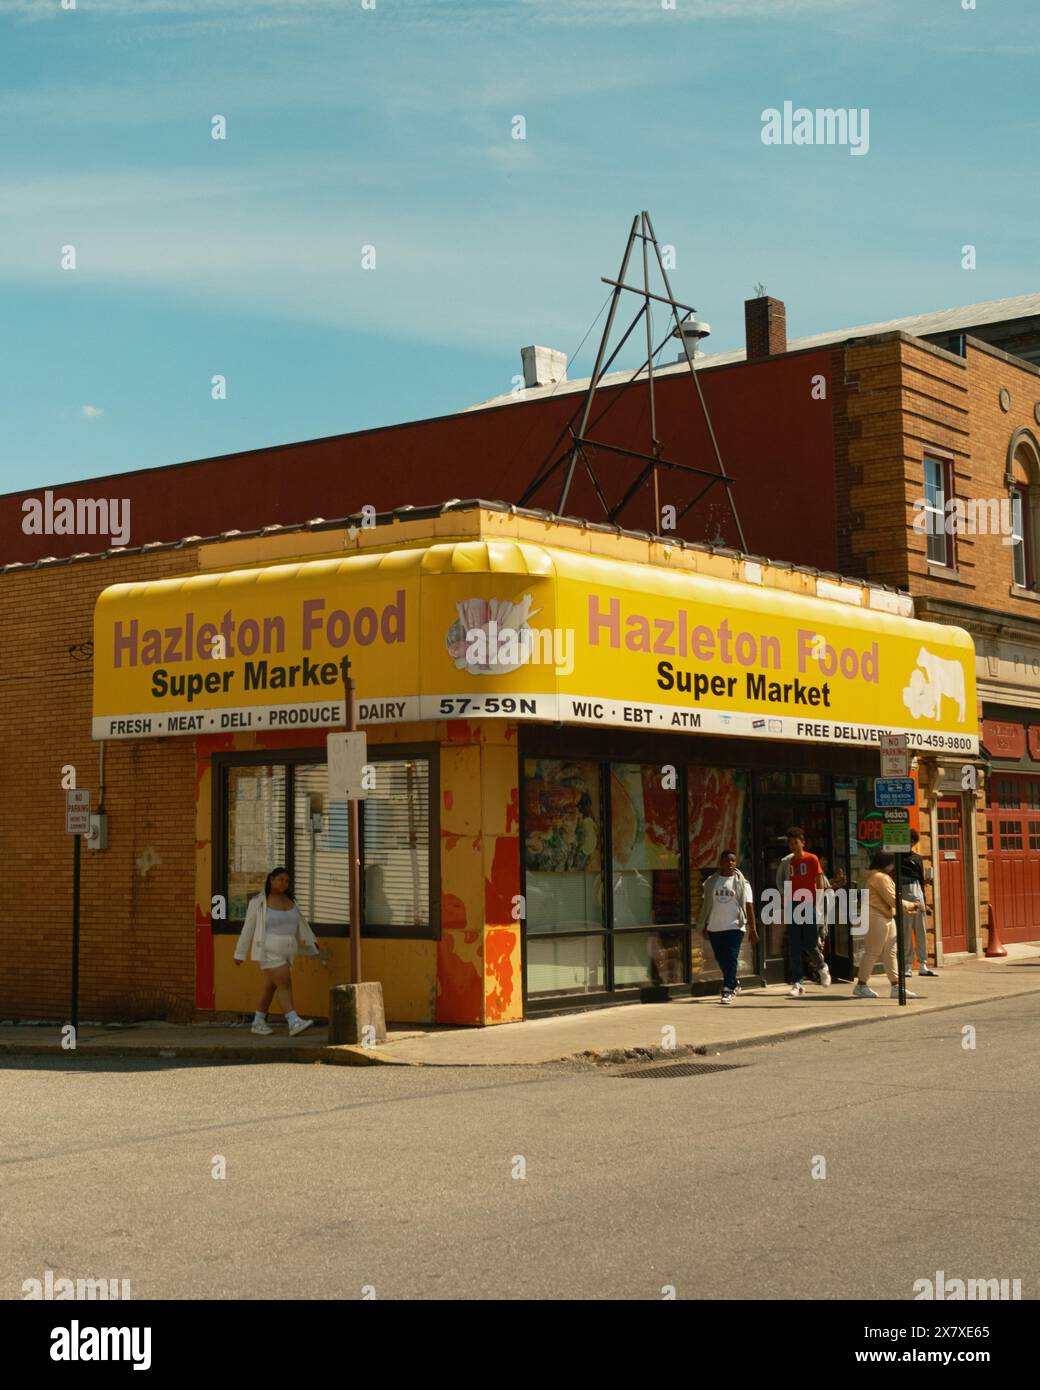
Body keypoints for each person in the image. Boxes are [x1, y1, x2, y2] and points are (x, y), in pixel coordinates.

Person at [234, 866, 321, 1035]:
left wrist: (312, 941)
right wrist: (239, 953)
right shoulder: (258, 902)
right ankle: (293, 1021)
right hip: (268, 950)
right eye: (280, 880)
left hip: (289, 951)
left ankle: (258, 1022)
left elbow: (301, 924)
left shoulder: (292, 901)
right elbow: (248, 928)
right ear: (271, 880)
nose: (284, 884)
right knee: (284, 984)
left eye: (287, 881)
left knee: (270, 987)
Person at [853, 851, 924, 999]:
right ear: (886, 863)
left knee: (891, 952)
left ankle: (896, 986)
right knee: (872, 951)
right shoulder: (880, 877)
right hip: (876, 916)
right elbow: (893, 899)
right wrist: (912, 905)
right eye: (892, 862)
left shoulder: (878, 876)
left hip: (885, 915)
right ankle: (861, 985)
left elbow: (889, 901)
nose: (893, 866)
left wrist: (906, 909)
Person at [696, 849, 758, 1005]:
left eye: (733, 861)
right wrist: (704, 924)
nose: (730, 863)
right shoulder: (711, 882)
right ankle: (734, 982)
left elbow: (749, 907)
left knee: (731, 957)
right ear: (721, 863)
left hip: (735, 926)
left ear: (736, 863)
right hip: (715, 926)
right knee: (721, 958)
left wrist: (753, 929)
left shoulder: (743, 884)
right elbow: (706, 905)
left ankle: (728, 989)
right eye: (727, 860)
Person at [778, 827, 830, 995]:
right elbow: (783, 882)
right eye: (790, 843)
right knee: (794, 945)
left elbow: (820, 883)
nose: (793, 846)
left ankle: (822, 967)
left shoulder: (812, 859)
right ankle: (798, 983)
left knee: (810, 944)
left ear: (803, 843)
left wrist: (819, 906)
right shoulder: (787, 861)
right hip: (793, 904)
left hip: (810, 904)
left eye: (795, 843)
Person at [902, 829, 938, 977]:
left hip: (917, 892)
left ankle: (923, 964)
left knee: (921, 931)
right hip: (903, 894)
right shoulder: (895, 858)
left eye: (910, 840)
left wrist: (926, 902)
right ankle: (907, 965)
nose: (908, 843)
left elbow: (921, 881)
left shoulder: (917, 858)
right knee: (905, 931)